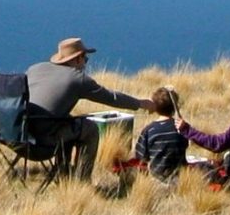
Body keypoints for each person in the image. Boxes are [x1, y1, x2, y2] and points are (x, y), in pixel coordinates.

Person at [25, 37, 149, 176]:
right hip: (42, 143)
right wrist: (141, 103)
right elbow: (111, 98)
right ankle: (82, 179)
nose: (85, 64)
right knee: (89, 129)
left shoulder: (35, 69)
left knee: (68, 121)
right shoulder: (77, 79)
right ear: (78, 58)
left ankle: (63, 169)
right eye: (85, 59)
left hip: (18, 136)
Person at [131, 86, 189, 181]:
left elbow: (140, 157)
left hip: (156, 176)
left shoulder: (149, 130)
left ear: (155, 107)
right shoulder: (182, 128)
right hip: (180, 176)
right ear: (174, 107)